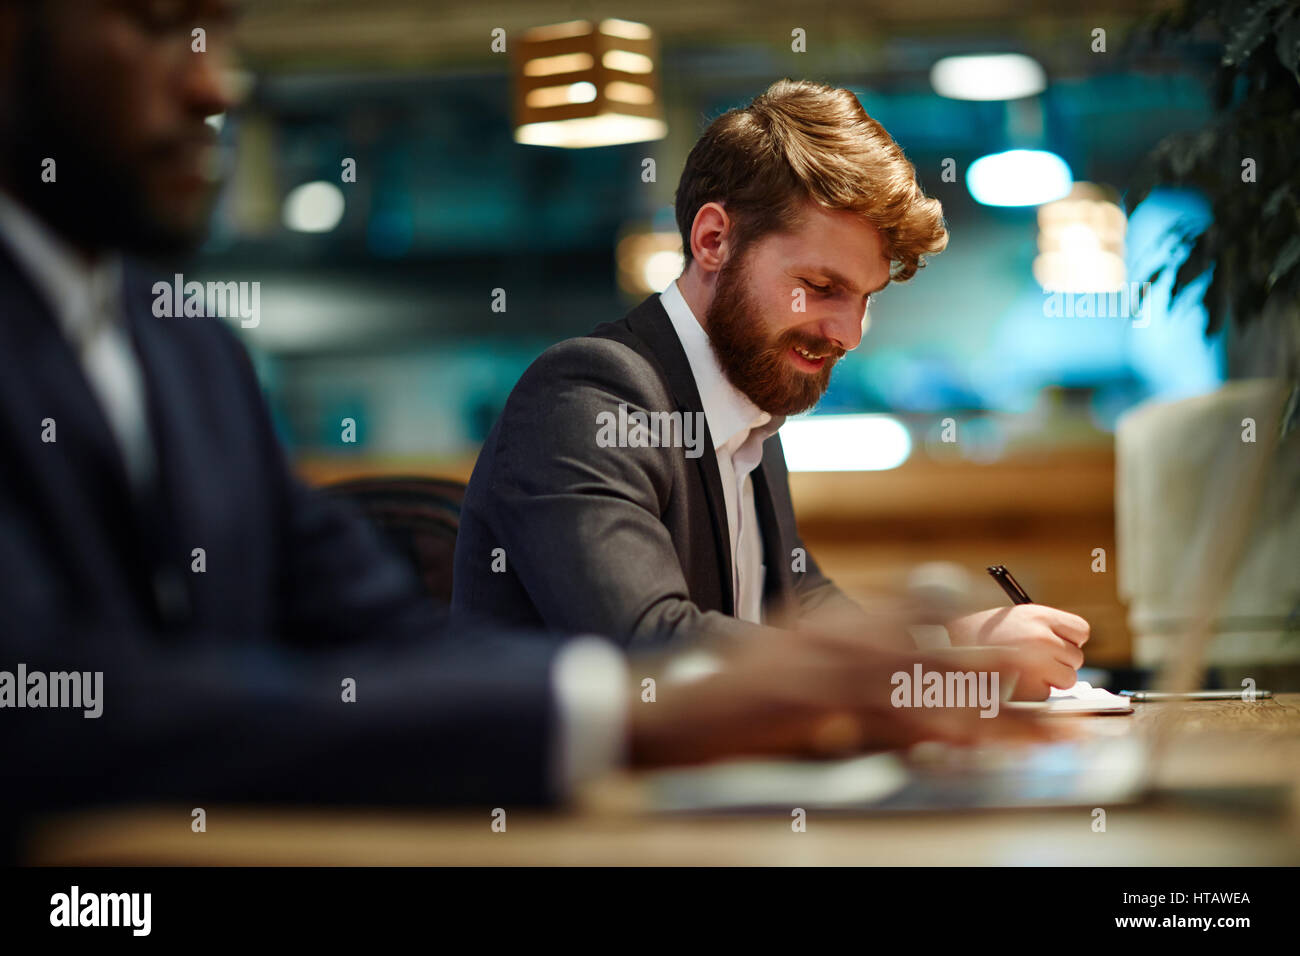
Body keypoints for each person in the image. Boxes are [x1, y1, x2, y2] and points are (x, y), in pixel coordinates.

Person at [0, 1, 1047, 852]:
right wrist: (637, 711)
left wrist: (930, 652)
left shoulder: (188, 349)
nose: (217, 83)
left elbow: (390, 640)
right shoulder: (590, 390)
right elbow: (65, 710)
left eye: (221, 29)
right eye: (156, 20)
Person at [453, 79, 1090, 699]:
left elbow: (800, 604)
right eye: (820, 287)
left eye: (865, 298)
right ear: (713, 240)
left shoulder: (749, 399)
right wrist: (939, 657)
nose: (849, 334)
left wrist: (958, 645)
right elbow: (650, 644)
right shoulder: (590, 395)